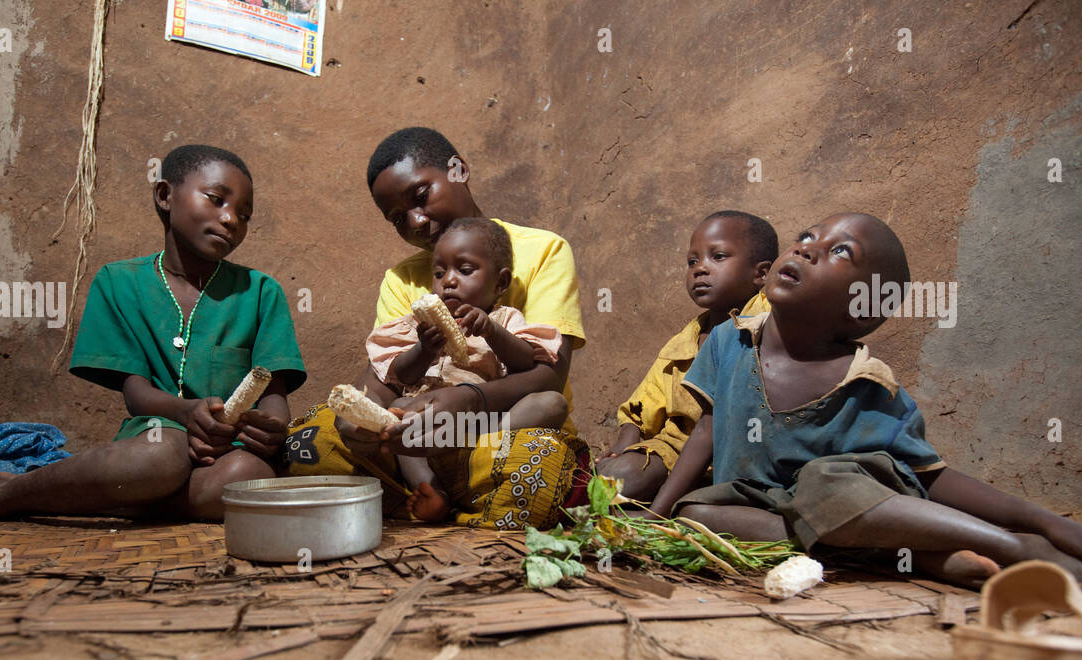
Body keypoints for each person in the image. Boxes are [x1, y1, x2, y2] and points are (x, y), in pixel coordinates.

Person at [648, 212, 1082, 587]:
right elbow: (705, 430)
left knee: (824, 483)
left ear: (862, 307)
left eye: (840, 251)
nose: (807, 247)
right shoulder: (729, 340)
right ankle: (904, 553)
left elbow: (934, 477)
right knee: (696, 512)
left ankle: (1012, 550)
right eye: (807, 236)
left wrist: (1041, 522)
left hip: (851, 499)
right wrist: (658, 514)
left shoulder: (865, 384)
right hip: (765, 510)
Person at [0, 145, 305, 521]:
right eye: (216, 199)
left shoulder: (261, 292)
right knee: (158, 455)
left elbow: (274, 390)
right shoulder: (118, 282)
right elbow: (135, 392)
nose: (231, 220)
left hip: (224, 452)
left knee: (250, 480)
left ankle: (100, 496)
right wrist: (186, 412)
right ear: (166, 195)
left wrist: (272, 428)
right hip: (156, 435)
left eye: (244, 215)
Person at [283, 127, 589, 530]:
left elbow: (549, 374)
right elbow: (385, 376)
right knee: (312, 441)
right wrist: (363, 417)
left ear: (458, 170)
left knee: (537, 460)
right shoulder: (402, 278)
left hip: (496, 435)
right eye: (397, 218)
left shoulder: (544, 250)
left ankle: (415, 501)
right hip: (417, 440)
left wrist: (469, 399)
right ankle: (436, 495)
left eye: (420, 197)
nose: (416, 221)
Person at [366, 217, 567, 520]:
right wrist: (423, 349)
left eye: (465, 270)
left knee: (552, 403)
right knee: (398, 409)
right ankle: (433, 491)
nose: (448, 280)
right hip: (429, 433)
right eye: (438, 272)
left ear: (500, 283)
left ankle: (476, 456)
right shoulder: (416, 326)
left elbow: (527, 362)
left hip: (485, 428)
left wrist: (492, 332)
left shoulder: (504, 320)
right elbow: (400, 375)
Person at [596, 210, 775, 501]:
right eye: (693, 262)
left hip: (747, 450)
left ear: (761, 273)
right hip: (677, 447)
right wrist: (623, 447)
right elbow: (643, 405)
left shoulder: (771, 324)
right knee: (615, 479)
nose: (699, 269)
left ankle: (681, 498)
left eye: (718, 257)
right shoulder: (684, 341)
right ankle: (682, 492)